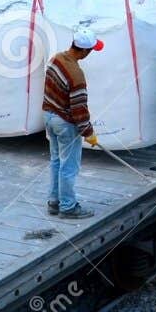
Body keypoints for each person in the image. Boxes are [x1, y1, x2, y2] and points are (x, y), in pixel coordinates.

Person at [43, 25, 104, 219]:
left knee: (55, 161)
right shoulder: (76, 76)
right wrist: (89, 133)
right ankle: (68, 207)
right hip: (64, 123)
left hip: (49, 116)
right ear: (84, 51)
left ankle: (54, 201)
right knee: (69, 167)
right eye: (91, 50)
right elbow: (79, 110)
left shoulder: (56, 59)